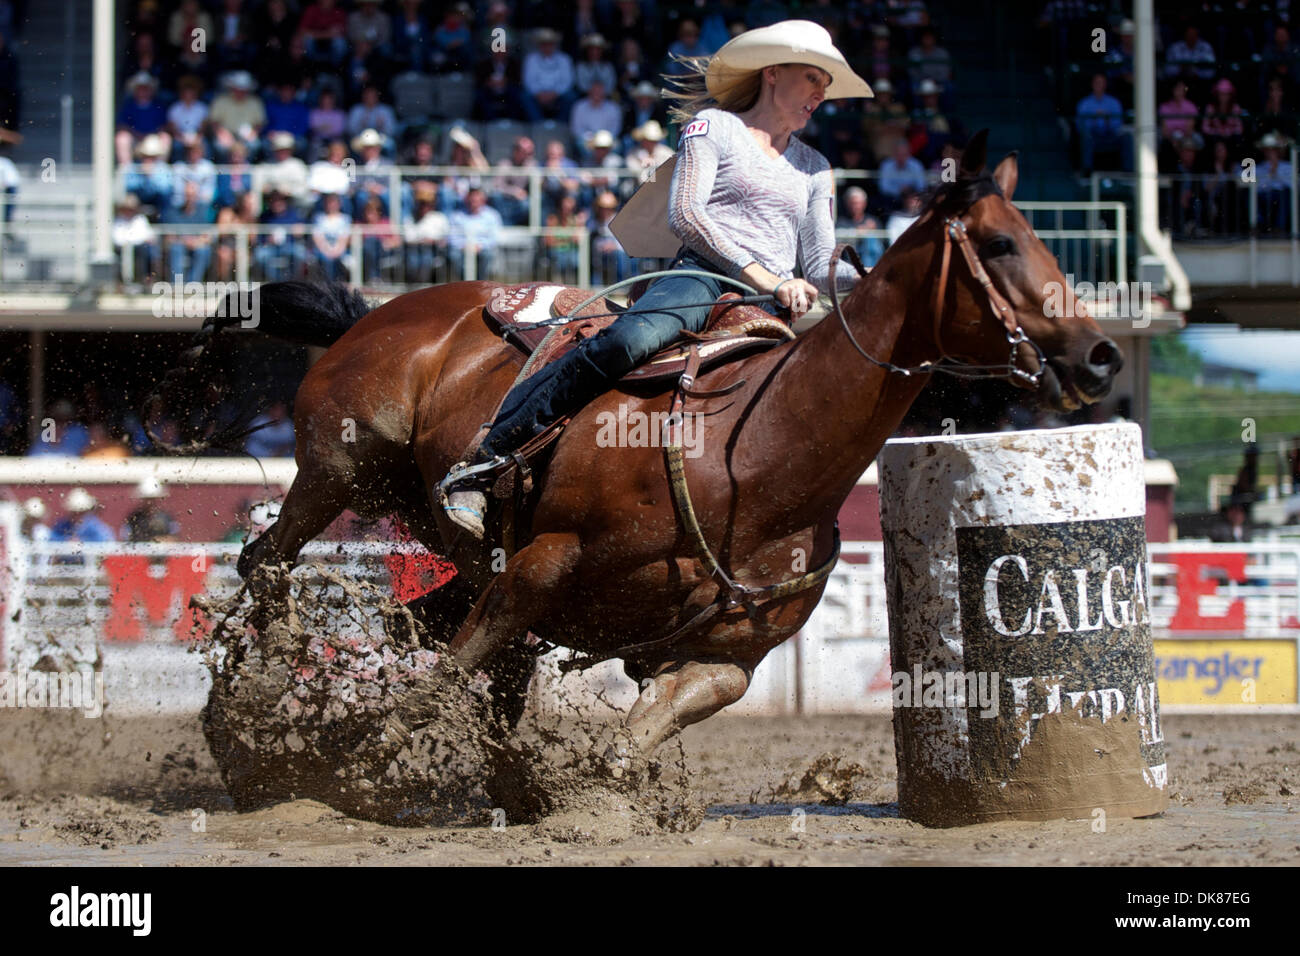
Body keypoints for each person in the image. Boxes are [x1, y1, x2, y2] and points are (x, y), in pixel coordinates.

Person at [441, 19, 873, 537]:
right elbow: (687, 215)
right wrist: (767, 276)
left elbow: (823, 258)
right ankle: (486, 460)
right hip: (702, 278)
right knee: (628, 340)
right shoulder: (713, 127)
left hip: (773, 303)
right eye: (812, 79)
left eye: (825, 86)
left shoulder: (816, 166)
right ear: (773, 73)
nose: (820, 95)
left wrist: (879, 276)